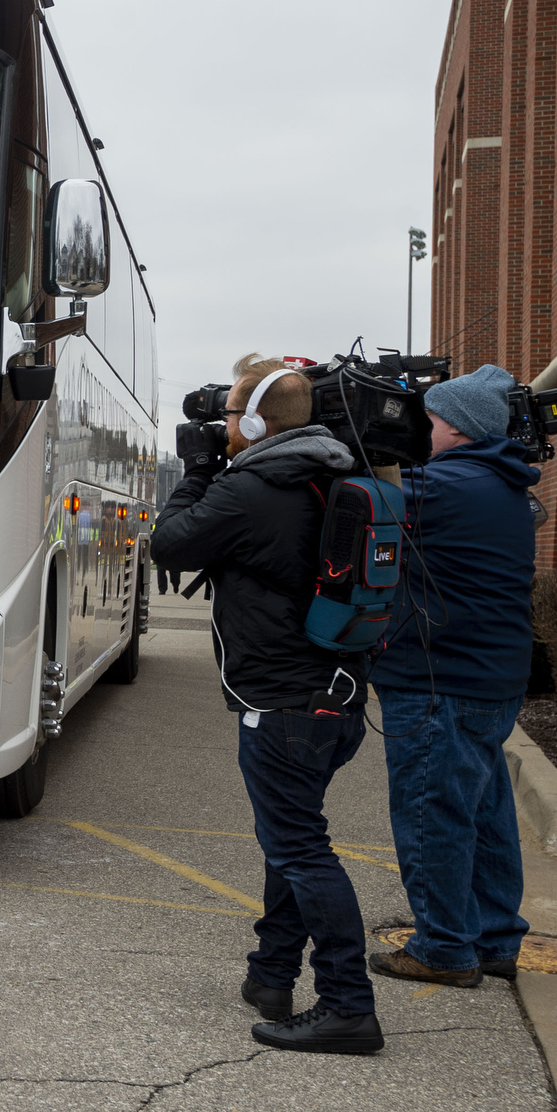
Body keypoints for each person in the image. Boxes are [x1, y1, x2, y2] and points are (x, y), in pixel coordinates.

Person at [151, 353, 384, 1055]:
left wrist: (197, 471)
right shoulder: (329, 471)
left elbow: (170, 544)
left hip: (283, 705)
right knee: (291, 840)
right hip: (334, 697)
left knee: (301, 851)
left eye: (229, 414)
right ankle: (273, 974)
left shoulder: (253, 488)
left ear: (254, 424)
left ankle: (348, 1006)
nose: (220, 425)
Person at [368, 364, 540, 988]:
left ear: (460, 429)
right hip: (490, 680)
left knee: (431, 813)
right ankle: (494, 940)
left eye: (433, 420)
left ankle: (442, 948)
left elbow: (362, 502)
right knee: (486, 814)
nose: (423, 430)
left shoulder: (445, 486)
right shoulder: (504, 484)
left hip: (439, 681)